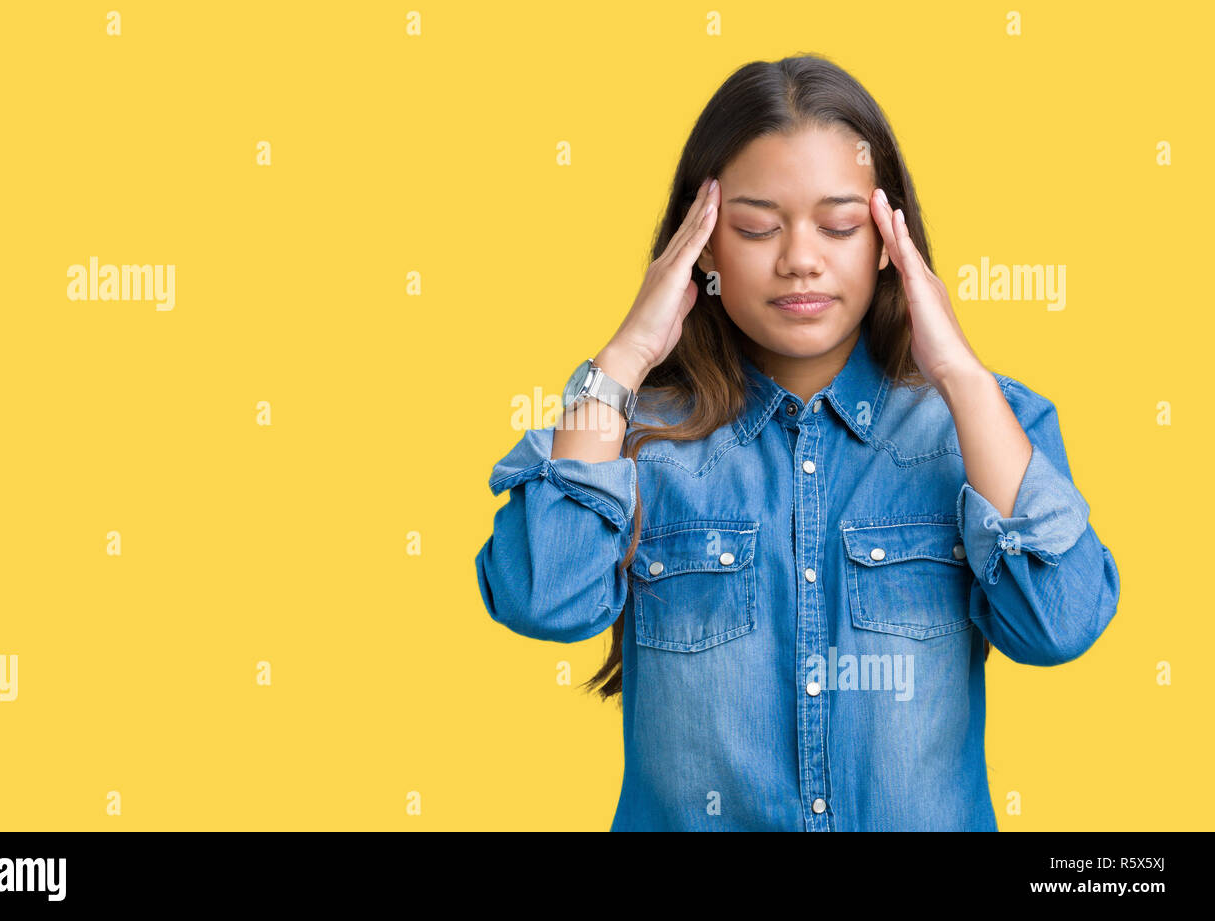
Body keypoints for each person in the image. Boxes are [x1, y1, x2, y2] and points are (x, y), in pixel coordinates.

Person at [474, 55, 1121, 831]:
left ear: (889, 240)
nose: (800, 259)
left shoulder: (981, 427)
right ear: (703, 246)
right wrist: (622, 359)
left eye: (841, 225)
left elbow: (1061, 623)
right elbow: (542, 597)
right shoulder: (628, 436)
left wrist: (957, 370)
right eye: (755, 227)